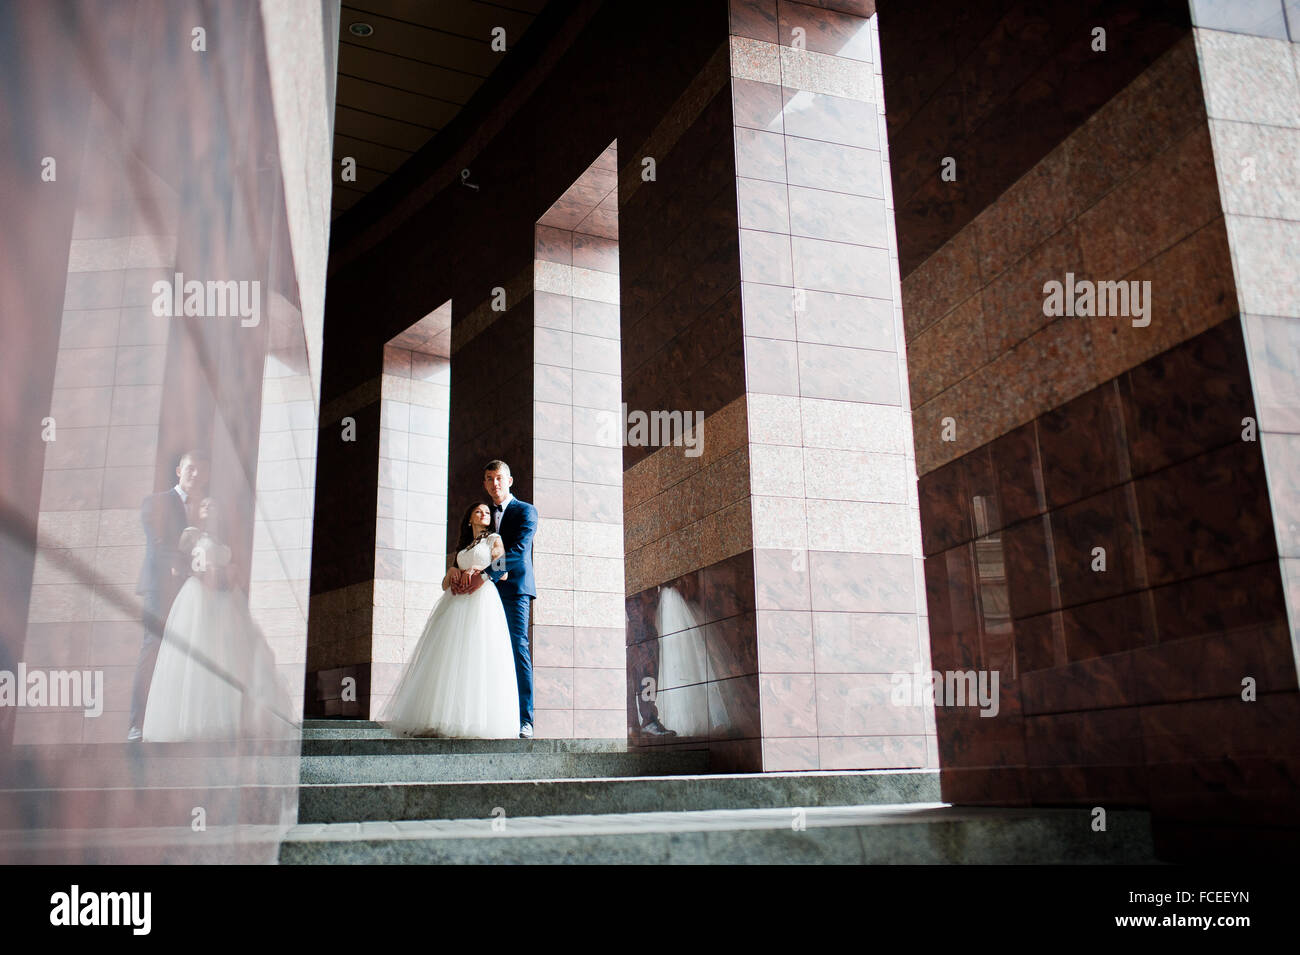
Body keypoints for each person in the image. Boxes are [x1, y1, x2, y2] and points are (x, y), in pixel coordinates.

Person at [141, 497, 287, 741]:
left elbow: (234, 569)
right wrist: (205, 574)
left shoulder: (223, 540)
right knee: (199, 648)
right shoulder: (191, 536)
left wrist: (230, 575)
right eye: (205, 505)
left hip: (226, 599)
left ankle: (230, 719)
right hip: (200, 596)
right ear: (199, 511)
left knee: (229, 653)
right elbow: (182, 565)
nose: (210, 508)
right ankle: (193, 721)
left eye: (214, 505)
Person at [382, 502, 520, 738]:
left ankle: (474, 721)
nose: (484, 514)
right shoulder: (463, 548)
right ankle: (442, 717)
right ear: (470, 518)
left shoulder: (494, 539)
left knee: (476, 655)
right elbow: (444, 584)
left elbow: (503, 569)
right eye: (478, 511)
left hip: (481, 601)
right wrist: (451, 573)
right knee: (449, 657)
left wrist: (478, 568)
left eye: (487, 512)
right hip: (455, 603)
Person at [447, 460, 538, 739]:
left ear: (509, 481)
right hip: (480, 596)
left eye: (499, 478)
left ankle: (524, 720)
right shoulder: (482, 515)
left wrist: (484, 576)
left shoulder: (526, 511)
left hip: (513, 591)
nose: (494, 483)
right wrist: (455, 568)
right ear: (485, 484)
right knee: (481, 652)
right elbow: (470, 548)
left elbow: (518, 552)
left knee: (516, 646)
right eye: (489, 479)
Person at [128, 449, 206, 741]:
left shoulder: (203, 509)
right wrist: (177, 565)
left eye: (201, 470)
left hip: (190, 592)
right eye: (191, 468)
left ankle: (173, 722)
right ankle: (136, 723)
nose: (195, 474)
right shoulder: (157, 502)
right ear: (179, 470)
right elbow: (157, 542)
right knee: (153, 647)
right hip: (162, 589)